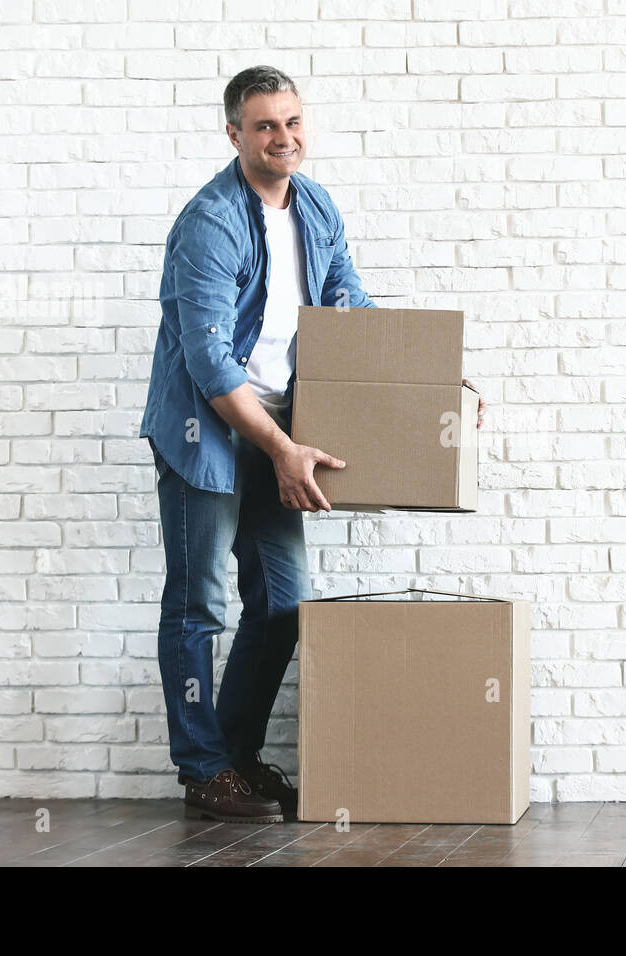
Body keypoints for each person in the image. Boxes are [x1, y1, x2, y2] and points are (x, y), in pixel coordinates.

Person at [139, 65, 487, 824]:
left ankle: (233, 756)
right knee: (198, 604)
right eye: (265, 125)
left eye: (292, 122)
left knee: (284, 605)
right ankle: (201, 770)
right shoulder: (210, 223)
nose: (283, 138)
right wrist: (276, 447)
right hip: (207, 431)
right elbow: (206, 360)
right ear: (234, 133)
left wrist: (439, 388)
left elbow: (348, 308)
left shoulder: (316, 206)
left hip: (279, 434)